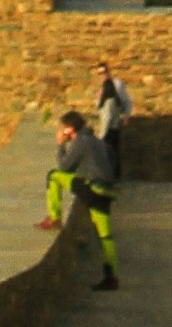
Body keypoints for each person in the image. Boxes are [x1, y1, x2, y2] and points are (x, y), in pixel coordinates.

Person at [49, 105, 120, 291]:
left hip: (92, 187)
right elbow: (112, 159)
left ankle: (54, 217)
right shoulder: (97, 141)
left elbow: (65, 167)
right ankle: (111, 277)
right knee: (105, 236)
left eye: (62, 127)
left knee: (54, 176)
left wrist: (60, 145)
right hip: (107, 191)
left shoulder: (81, 141)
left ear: (69, 129)